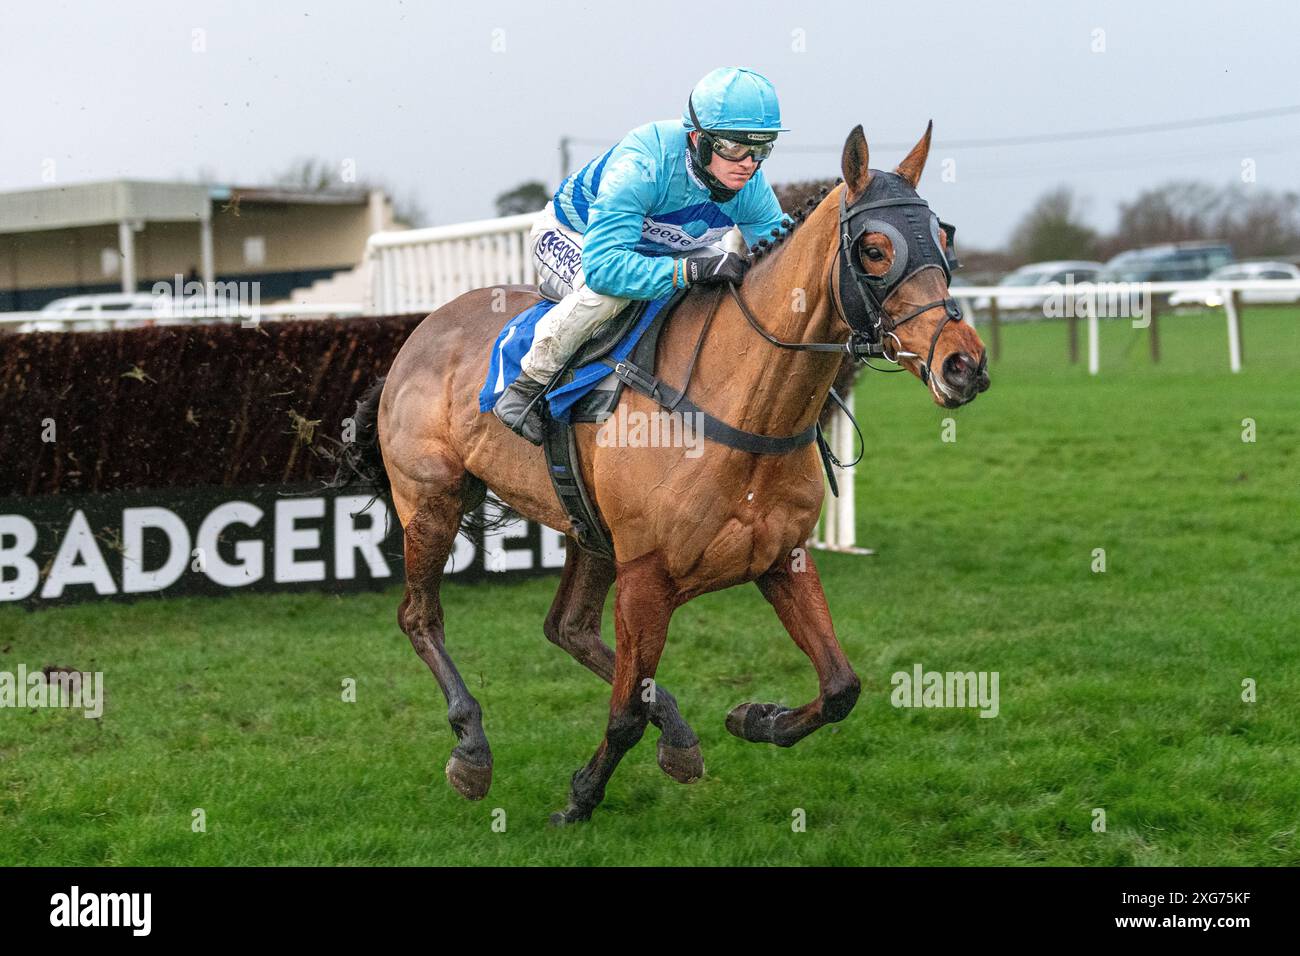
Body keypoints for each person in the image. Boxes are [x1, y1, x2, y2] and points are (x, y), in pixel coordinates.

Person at [492, 66, 791, 444]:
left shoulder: (750, 185)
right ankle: (526, 386)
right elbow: (604, 269)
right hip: (575, 236)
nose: (748, 163)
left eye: (760, 148)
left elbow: (781, 255)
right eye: (733, 147)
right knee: (608, 294)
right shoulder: (643, 165)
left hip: (661, 247)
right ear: (698, 139)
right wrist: (688, 272)